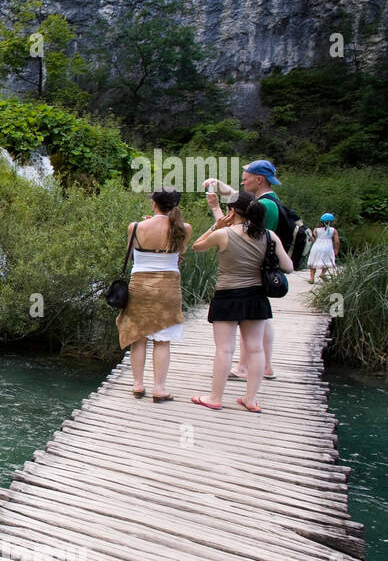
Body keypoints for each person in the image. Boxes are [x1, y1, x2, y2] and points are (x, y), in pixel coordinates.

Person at [190, 190, 294, 413]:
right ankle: (250, 399)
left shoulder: (224, 234)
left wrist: (217, 225)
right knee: (256, 349)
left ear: (231, 211)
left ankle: (215, 397)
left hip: (228, 296)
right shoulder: (269, 235)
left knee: (224, 349)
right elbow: (289, 267)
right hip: (256, 297)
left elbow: (196, 246)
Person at [204, 160, 284, 380]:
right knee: (262, 320)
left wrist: (215, 208)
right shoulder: (269, 201)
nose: (242, 180)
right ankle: (264, 366)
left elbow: (233, 232)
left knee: (253, 326)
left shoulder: (264, 206)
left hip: (246, 277)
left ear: (259, 179)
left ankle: (244, 367)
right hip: (258, 273)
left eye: (246, 177)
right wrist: (220, 185)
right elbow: (241, 201)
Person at [116, 188, 192, 402]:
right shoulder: (184, 228)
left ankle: (138, 385)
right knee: (162, 340)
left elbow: (132, 256)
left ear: (154, 204)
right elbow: (179, 255)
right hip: (168, 287)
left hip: (139, 286)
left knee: (138, 337)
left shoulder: (136, 227)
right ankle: (159, 389)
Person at [307, 212, 340, 283]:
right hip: (328, 247)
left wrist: (310, 237)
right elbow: (337, 241)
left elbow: (312, 239)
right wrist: (336, 249)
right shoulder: (333, 230)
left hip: (317, 246)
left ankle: (311, 278)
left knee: (313, 261)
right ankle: (322, 273)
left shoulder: (316, 229)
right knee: (326, 261)